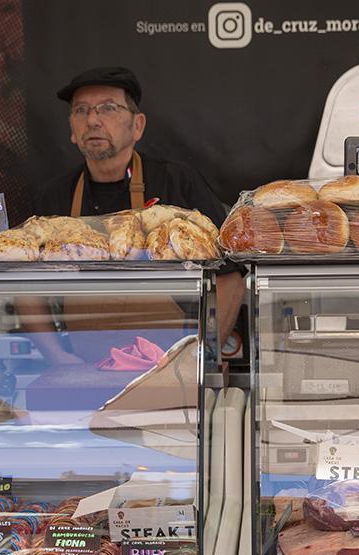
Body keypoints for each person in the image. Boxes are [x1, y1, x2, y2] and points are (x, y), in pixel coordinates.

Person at [22, 66, 243, 364]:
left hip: (172, 366)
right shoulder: (53, 199)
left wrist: (204, 353)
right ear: (72, 131)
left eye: (108, 108)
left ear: (137, 126)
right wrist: (58, 357)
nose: (92, 120)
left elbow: (230, 280)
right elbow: (24, 287)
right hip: (86, 368)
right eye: (81, 110)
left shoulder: (178, 183)